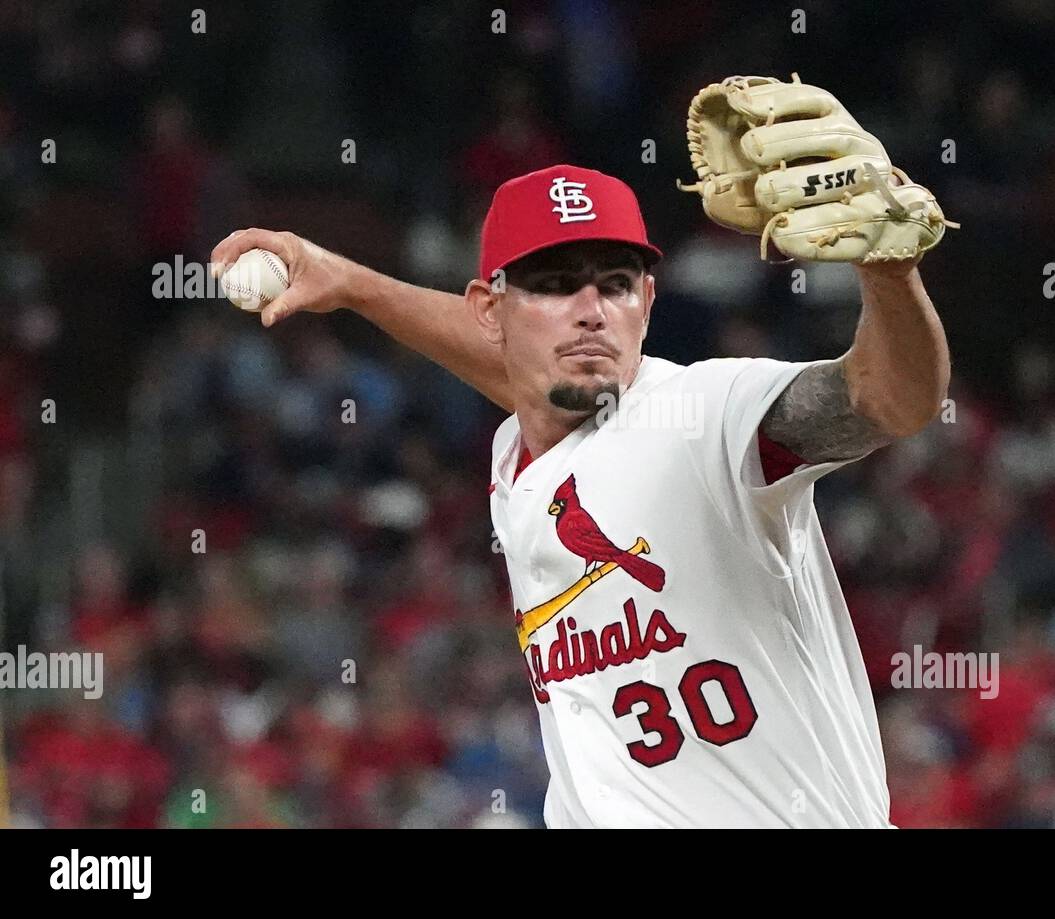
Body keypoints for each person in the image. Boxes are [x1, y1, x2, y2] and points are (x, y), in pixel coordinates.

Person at [210, 163, 950, 827]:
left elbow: (885, 400)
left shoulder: (703, 414)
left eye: (616, 284)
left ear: (648, 301)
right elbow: (525, 377)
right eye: (557, 285)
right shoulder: (522, 446)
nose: (592, 309)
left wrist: (888, 274)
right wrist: (352, 285)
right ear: (489, 310)